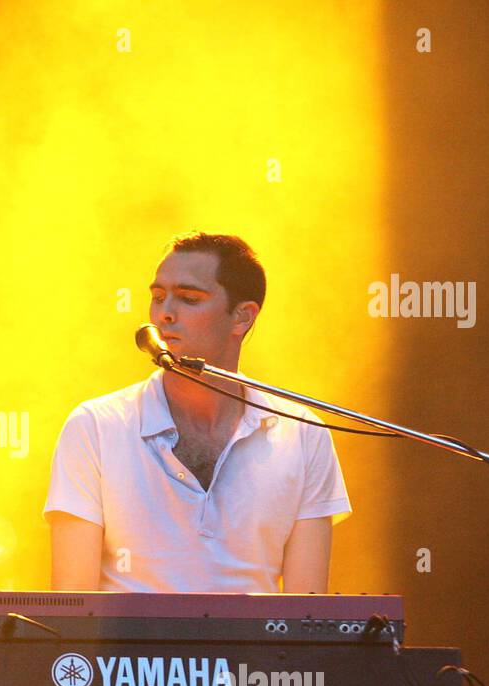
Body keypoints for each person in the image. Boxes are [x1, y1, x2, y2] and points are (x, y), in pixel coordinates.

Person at [44, 232, 351, 594]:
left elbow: (306, 609)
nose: (164, 314)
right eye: (158, 297)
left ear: (242, 317)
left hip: (253, 637)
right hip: (124, 636)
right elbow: (74, 605)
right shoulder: (94, 426)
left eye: (189, 299)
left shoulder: (304, 434)